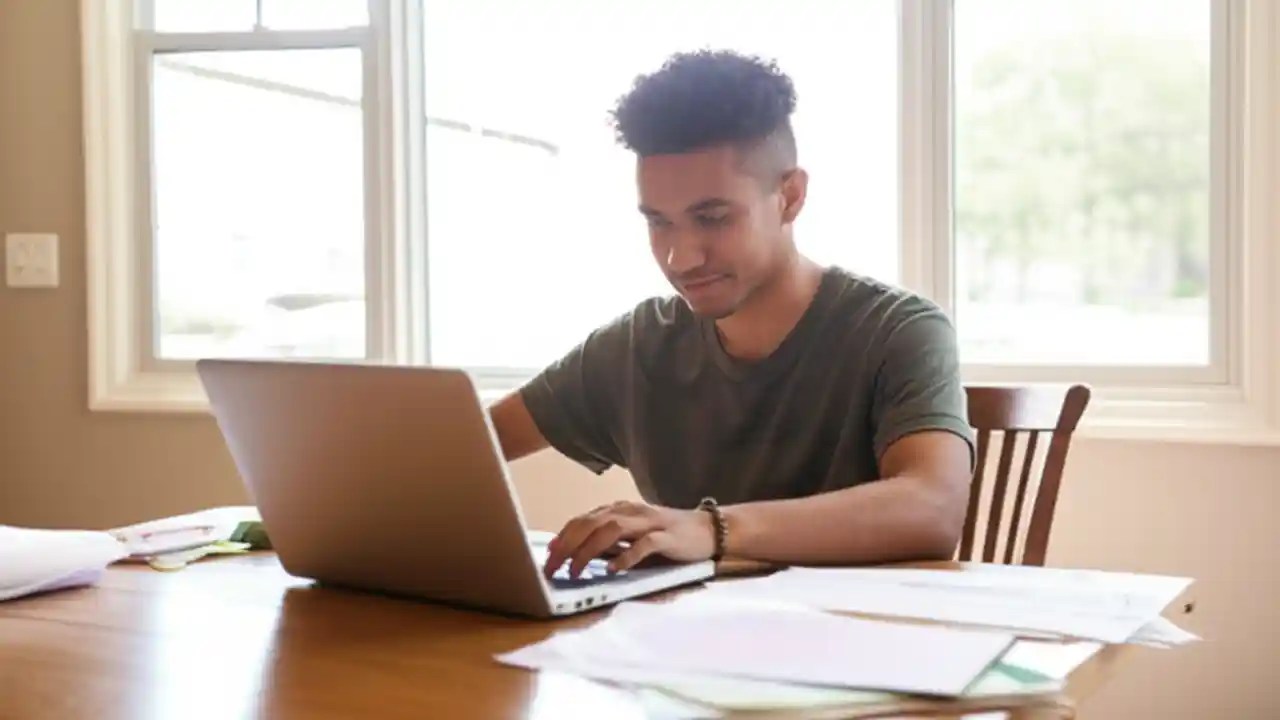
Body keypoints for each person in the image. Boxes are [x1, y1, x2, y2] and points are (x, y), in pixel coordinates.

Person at [488, 49, 975, 580]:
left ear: (789, 197)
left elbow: (933, 509)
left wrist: (710, 530)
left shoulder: (900, 331)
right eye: (659, 223)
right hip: (680, 649)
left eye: (713, 218)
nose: (680, 257)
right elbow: (463, 447)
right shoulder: (635, 346)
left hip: (866, 646)